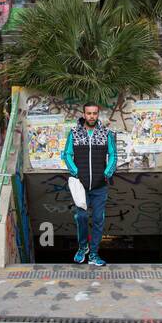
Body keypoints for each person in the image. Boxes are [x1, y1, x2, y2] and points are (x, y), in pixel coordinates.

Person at [60, 103, 117, 266]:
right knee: (82, 217)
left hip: (100, 186)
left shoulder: (107, 133)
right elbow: (67, 154)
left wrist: (108, 172)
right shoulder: (74, 133)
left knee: (99, 219)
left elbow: (113, 155)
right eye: (89, 113)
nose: (91, 116)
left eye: (94, 113)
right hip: (81, 186)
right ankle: (82, 247)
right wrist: (75, 171)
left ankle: (93, 254)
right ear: (83, 114)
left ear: (98, 115)